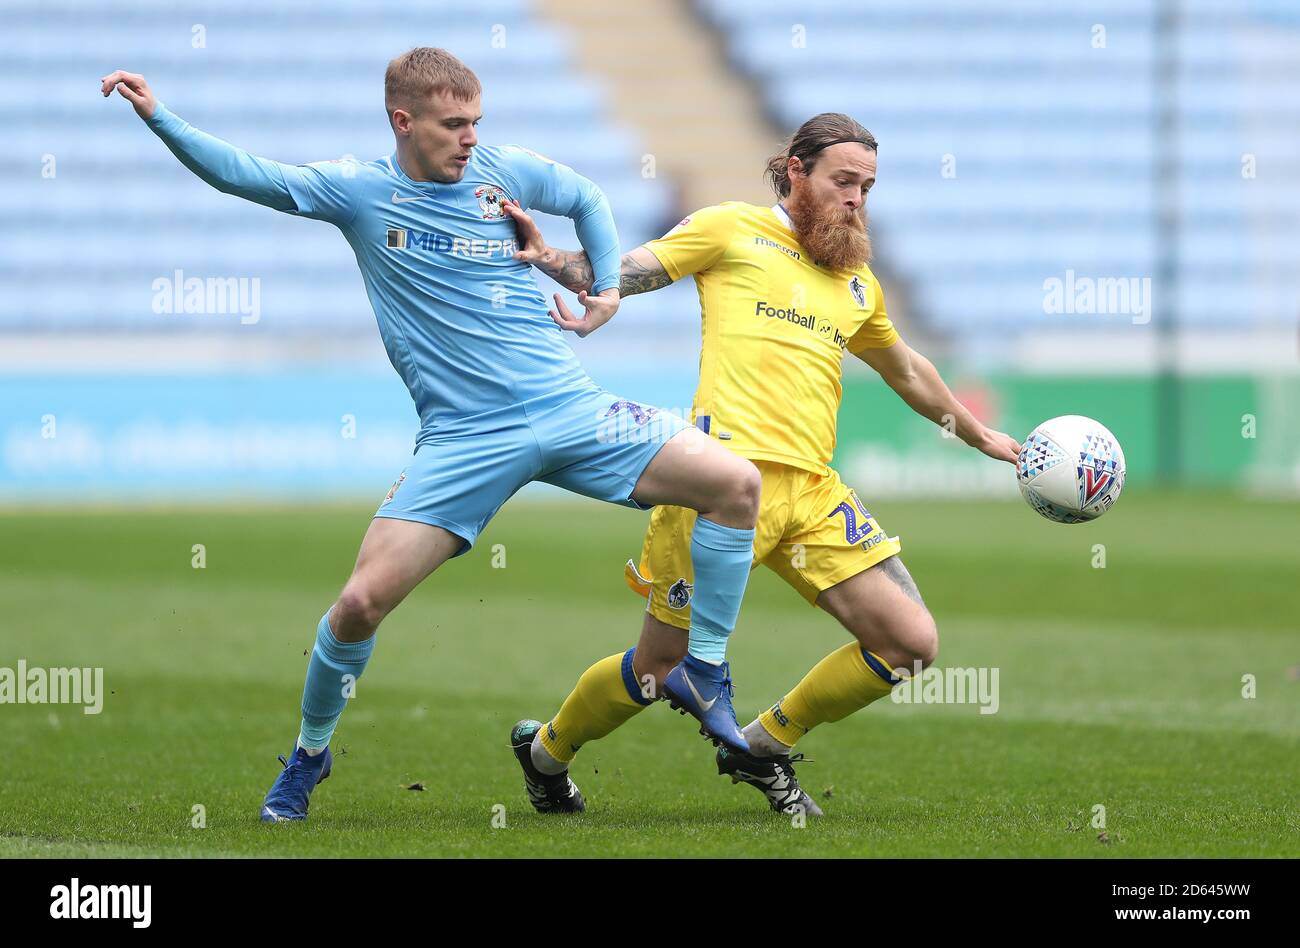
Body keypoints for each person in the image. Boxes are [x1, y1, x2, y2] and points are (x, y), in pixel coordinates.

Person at [101, 47, 763, 822]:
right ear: (403, 122)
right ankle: (310, 755)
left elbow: (585, 196)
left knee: (735, 484)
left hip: (572, 408)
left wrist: (607, 289)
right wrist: (160, 117)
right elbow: (248, 175)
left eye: (477, 121)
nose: (470, 138)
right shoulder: (359, 192)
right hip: (465, 440)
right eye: (454, 124)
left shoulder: (503, 174)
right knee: (357, 605)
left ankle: (705, 670)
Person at [506, 112, 1020, 816]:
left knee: (909, 643)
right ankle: (545, 755)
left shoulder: (857, 281)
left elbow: (904, 367)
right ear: (796, 171)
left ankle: (760, 747)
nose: (856, 199)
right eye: (844, 180)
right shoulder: (730, 229)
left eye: (867, 186)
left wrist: (974, 432)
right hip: (716, 487)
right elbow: (630, 270)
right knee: (657, 670)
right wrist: (556, 260)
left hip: (809, 491)